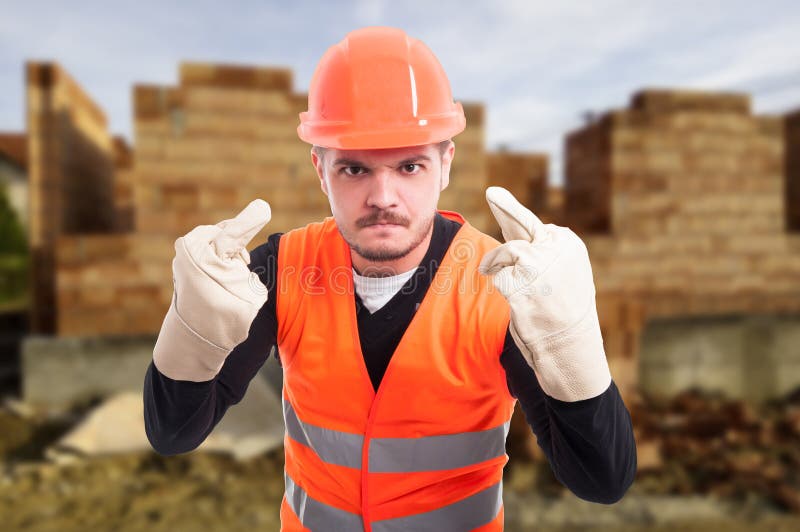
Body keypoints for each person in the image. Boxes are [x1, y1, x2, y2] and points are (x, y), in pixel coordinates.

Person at [144, 26, 637, 531]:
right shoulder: (280, 268)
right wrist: (191, 328)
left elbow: (603, 481)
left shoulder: (507, 285)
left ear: (445, 164)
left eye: (409, 166)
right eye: (355, 170)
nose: (383, 197)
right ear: (321, 170)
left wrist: (571, 340)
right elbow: (172, 435)